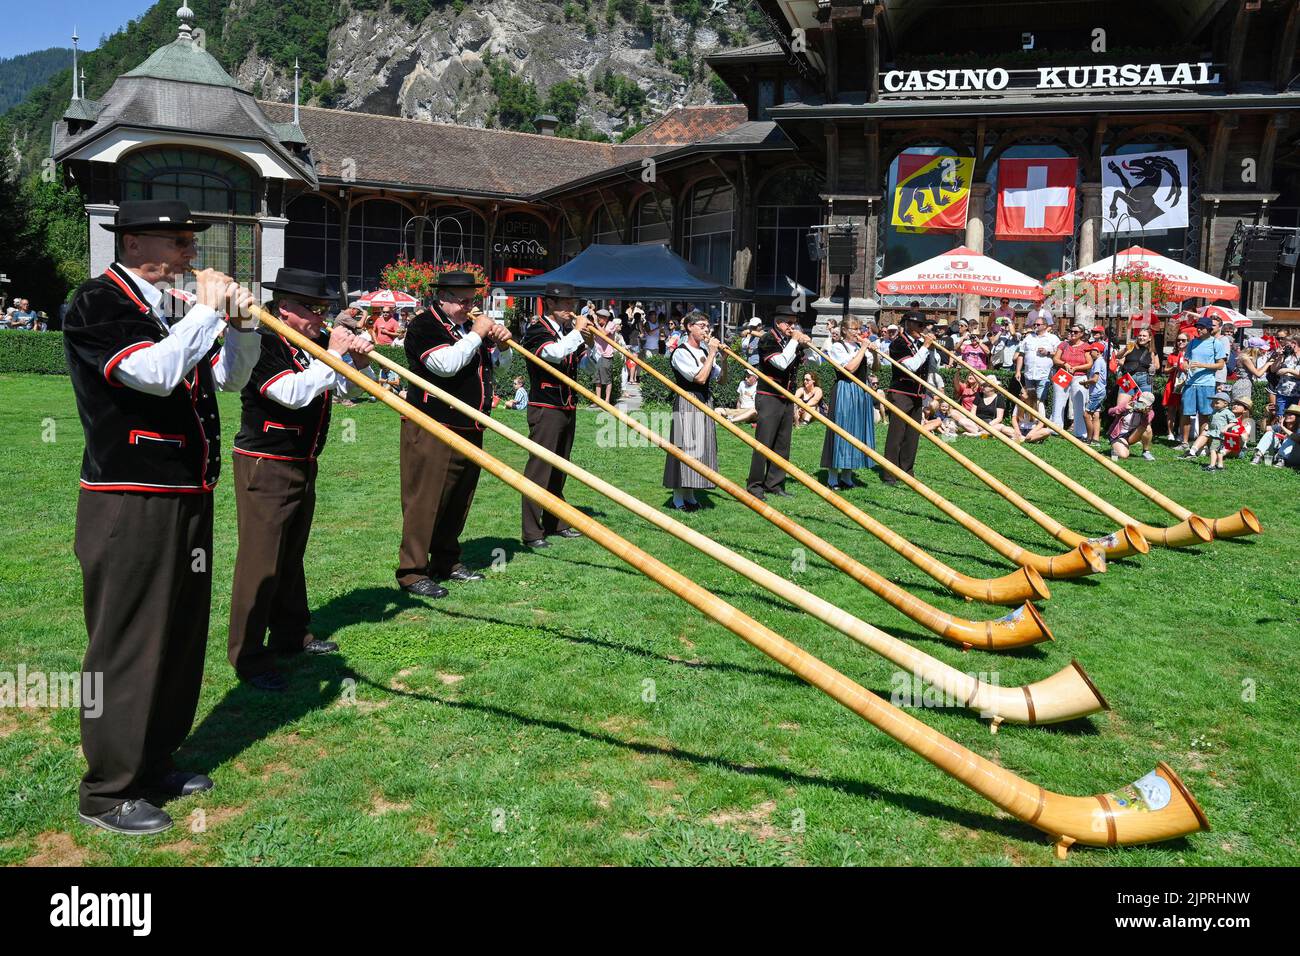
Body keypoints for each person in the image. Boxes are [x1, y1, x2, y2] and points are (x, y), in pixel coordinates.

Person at [62, 199, 260, 834]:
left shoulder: (164, 309)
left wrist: (243, 328)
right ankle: (108, 790)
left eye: (190, 243)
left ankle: (155, 759)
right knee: (128, 641)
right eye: (179, 244)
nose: (191, 255)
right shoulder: (97, 303)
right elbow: (151, 374)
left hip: (184, 494)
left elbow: (226, 379)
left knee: (177, 635)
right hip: (130, 496)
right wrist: (206, 310)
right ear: (136, 243)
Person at [228, 268, 372, 692]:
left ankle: (292, 634)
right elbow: (289, 393)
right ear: (286, 307)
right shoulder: (265, 339)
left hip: (302, 459)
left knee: (290, 554)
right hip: (266, 460)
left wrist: (354, 364)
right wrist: (333, 353)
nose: (322, 318)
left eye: (324, 310)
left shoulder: (308, 341)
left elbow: (347, 392)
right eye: (314, 309)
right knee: (261, 560)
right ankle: (249, 656)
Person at [398, 270, 510, 593]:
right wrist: (476, 333)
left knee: (459, 498)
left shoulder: (467, 327)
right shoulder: (424, 326)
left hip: (469, 424)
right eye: (463, 301)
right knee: (426, 499)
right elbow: (444, 365)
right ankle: (412, 571)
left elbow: (501, 368)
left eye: (472, 300)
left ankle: (446, 559)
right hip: (433, 424)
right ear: (443, 298)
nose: (469, 307)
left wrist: (502, 347)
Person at [520, 282, 590, 546]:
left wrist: (591, 344)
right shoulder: (537, 330)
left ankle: (555, 521)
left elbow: (586, 364)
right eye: (566, 305)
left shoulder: (567, 332)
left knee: (560, 468)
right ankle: (531, 531)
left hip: (567, 406)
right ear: (550, 304)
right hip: (546, 407)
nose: (571, 310)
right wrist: (579, 332)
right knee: (540, 469)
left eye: (573, 304)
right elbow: (554, 354)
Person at [745, 306, 810, 498]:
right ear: (777, 322)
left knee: (782, 444)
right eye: (788, 322)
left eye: (794, 322)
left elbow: (810, 363)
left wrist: (805, 346)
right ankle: (755, 486)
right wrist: (795, 341)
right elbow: (781, 363)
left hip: (787, 397)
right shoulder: (767, 339)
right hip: (769, 396)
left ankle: (775, 484)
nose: (792, 326)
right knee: (764, 442)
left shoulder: (791, 341)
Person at [663, 311, 722, 511]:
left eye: (707, 326)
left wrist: (726, 358)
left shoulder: (705, 351)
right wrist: (712, 354)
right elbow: (699, 379)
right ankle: (678, 497)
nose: (706, 330)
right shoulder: (680, 352)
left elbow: (721, 380)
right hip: (687, 400)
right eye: (702, 325)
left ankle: (690, 494)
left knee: (701, 447)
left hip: (705, 401)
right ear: (690, 327)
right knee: (686, 447)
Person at [820, 316, 877, 488]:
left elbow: (876, 368)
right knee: (841, 430)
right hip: (845, 390)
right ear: (844, 330)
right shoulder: (838, 347)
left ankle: (847, 475)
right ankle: (832, 477)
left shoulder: (861, 347)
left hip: (861, 391)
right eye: (854, 329)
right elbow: (850, 368)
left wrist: (873, 352)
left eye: (860, 329)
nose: (858, 332)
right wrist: (864, 349)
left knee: (856, 431)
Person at [882, 308, 936, 484]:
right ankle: (890, 474)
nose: (923, 328)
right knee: (896, 436)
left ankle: (907, 471)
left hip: (917, 394)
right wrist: (926, 347)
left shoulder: (920, 344)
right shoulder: (898, 343)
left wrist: (931, 350)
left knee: (912, 436)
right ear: (908, 324)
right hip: (901, 394)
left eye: (924, 325)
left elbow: (930, 368)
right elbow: (911, 366)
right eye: (920, 325)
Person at [1179, 315, 1228, 450]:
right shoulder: (1193, 343)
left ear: (1208, 329)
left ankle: (1202, 444)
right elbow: (1186, 360)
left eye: (1201, 328)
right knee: (1186, 413)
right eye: (1197, 327)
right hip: (1190, 383)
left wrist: (1202, 365)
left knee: (1204, 415)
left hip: (1207, 384)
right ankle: (1184, 442)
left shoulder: (1215, 343)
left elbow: (1220, 365)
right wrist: (1184, 365)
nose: (1198, 330)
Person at [1051, 323, 1092, 439]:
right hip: (1063, 374)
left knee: (1079, 404)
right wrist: (1065, 364)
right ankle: (1055, 428)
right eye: (1071, 331)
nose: (1072, 334)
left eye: (1076, 332)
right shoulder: (1063, 344)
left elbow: (1089, 363)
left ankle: (1080, 432)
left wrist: (1076, 368)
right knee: (1058, 401)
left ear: (1082, 334)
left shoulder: (1086, 346)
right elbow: (1055, 359)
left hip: (1079, 376)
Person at [1013, 314, 1060, 414]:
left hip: (1044, 375)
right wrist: (1018, 371)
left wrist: (1047, 352)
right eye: (1034, 324)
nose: (1035, 326)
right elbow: (1021, 354)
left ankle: (1039, 422)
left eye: (1038, 324)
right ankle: (1029, 421)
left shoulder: (1053, 338)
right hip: (1029, 374)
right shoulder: (1028, 338)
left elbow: (1061, 353)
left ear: (1045, 326)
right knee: (1029, 399)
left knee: (1039, 400)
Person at [1180, 390, 1233, 470]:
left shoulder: (1227, 413)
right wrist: (1208, 425)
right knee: (1218, 451)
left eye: (1217, 402)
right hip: (1214, 433)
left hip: (1220, 435)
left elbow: (1234, 422)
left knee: (1213, 450)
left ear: (1225, 403)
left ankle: (1212, 466)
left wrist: (1226, 427)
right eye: (1213, 402)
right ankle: (1220, 466)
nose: (1214, 404)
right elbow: (1212, 420)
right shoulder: (1215, 411)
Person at [1108, 391, 1156, 461]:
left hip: (1132, 436)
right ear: (1138, 399)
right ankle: (1116, 450)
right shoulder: (1129, 404)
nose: (1142, 405)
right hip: (1119, 435)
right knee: (1124, 455)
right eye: (1141, 402)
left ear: (1150, 405)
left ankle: (1146, 452)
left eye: (1145, 404)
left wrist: (1145, 414)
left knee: (1147, 427)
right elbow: (1110, 411)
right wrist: (1124, 408)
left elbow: (1144, 425)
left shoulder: (1150, 412)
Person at [971, 374, 1019, 441]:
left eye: (985, 385)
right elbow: (972, 413)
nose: (982, 387)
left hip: (991, 424)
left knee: (1000, 426)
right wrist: (977, 423)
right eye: (982, 385)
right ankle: (985, 434)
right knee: (963, 421)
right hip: (976, 423)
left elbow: (999, 418)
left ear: (992, 387)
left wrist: (987, 426)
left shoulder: (999, 398)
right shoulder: (979, 395)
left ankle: (979, 435)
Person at [1163, 330, 1189, 441]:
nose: (1180, 342)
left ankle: (1181, 433)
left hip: (1185, 384)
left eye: (1183, 340)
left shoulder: (1190, 355)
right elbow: (1165, 370)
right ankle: (1170, 433)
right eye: (1178, 340)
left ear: (1188, 342)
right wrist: (1174, 367)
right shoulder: (1172, 355)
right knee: (1171, 410)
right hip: (1173, 384)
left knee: (1183, 410)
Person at [1118, 328, 1161, 394]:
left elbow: (1157, 366)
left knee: (1142, 403)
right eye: (1140, 335)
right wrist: (1125, 349)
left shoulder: (1152, 351)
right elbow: (1118, 356)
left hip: (1144, 379)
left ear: (1149, 338)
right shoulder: (1131, 347)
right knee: (1122, 403)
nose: (1141, 337)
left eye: (1144, 336)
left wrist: (1153, 367)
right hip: (1128, 377)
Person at [1084, 342, 1108, 442]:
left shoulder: (1098, 362)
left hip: (1097, 392)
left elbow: (1095, 379)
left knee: (1086, 414)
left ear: (1097, 352)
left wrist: (1085, 382)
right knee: (1096, 415)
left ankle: (1089, 438)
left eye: (1091, 351)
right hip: (1100, 391)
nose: (1089, 353)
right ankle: (1096, 439)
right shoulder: (1101, 361)